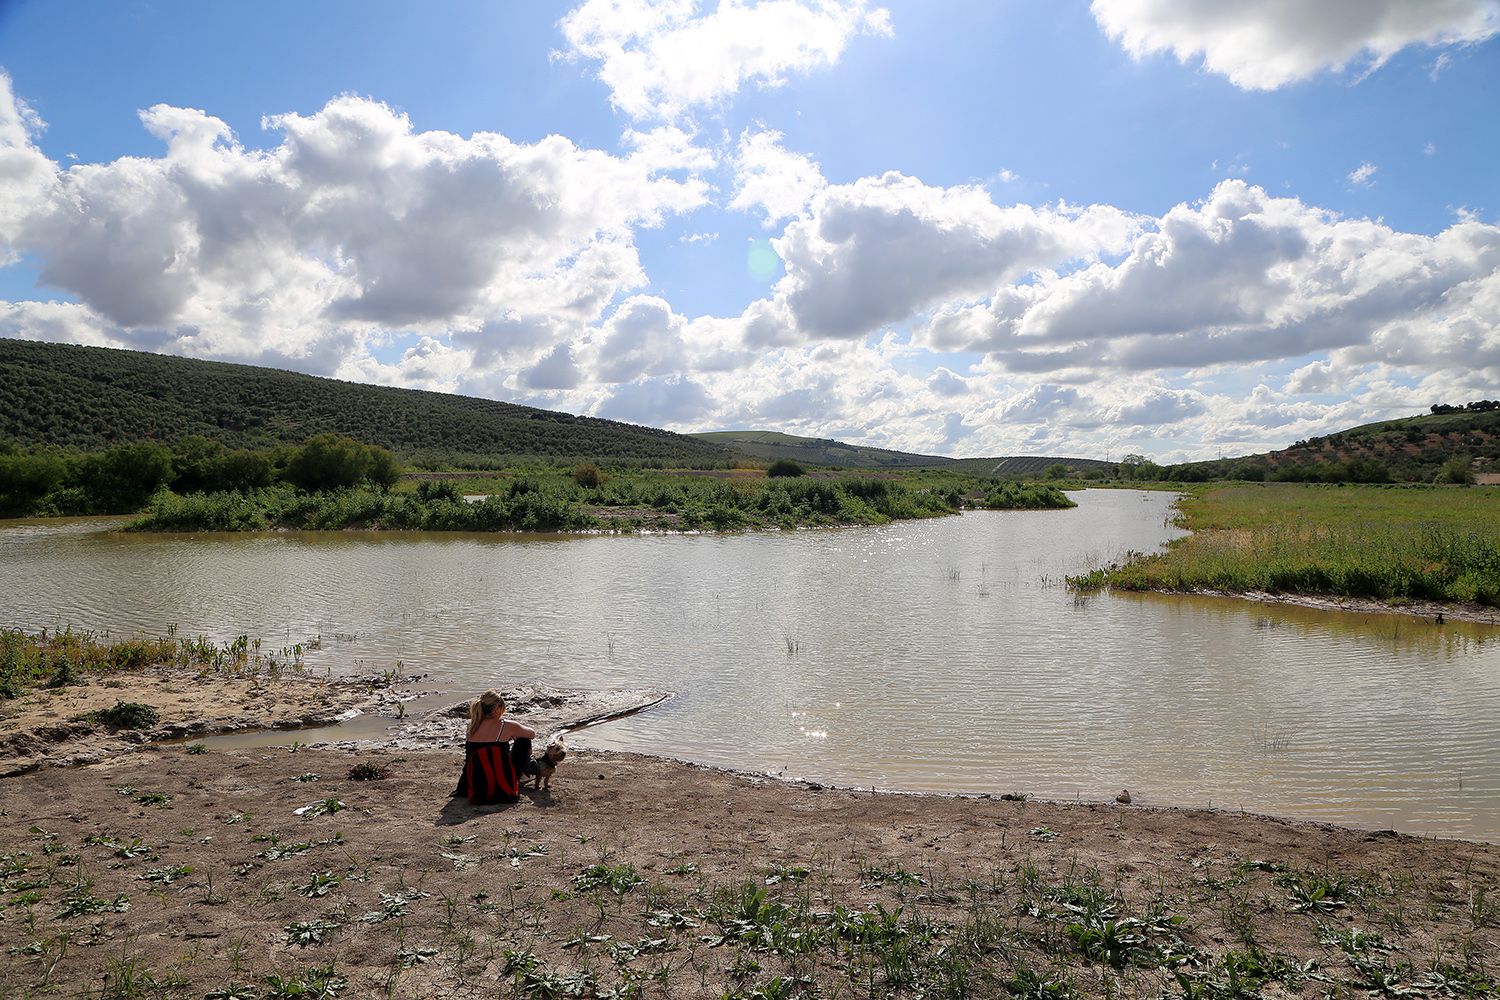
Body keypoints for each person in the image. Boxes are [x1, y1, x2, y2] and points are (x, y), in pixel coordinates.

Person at [454, 689, 534, 804]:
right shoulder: (505, 725)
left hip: (469, 784)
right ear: (497, 708)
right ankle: (520, 776)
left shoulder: (472, 725)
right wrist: (512, 734)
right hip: (499, 784)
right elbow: (532, 733)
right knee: (524, 740)